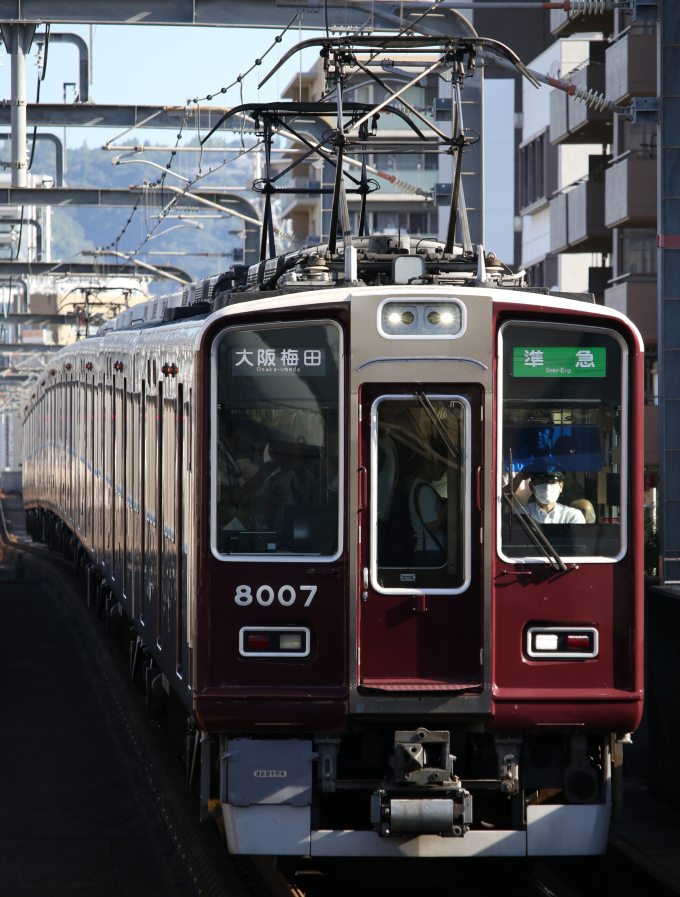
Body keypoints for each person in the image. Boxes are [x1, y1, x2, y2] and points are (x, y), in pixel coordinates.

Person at [408, 449, 448, 567]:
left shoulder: (421, 487)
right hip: (430, 551)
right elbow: (432, 525)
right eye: (441, 465)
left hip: (429, 549)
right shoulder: (424, 490)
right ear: (428, 465)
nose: (444, 470)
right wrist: (449, 505)